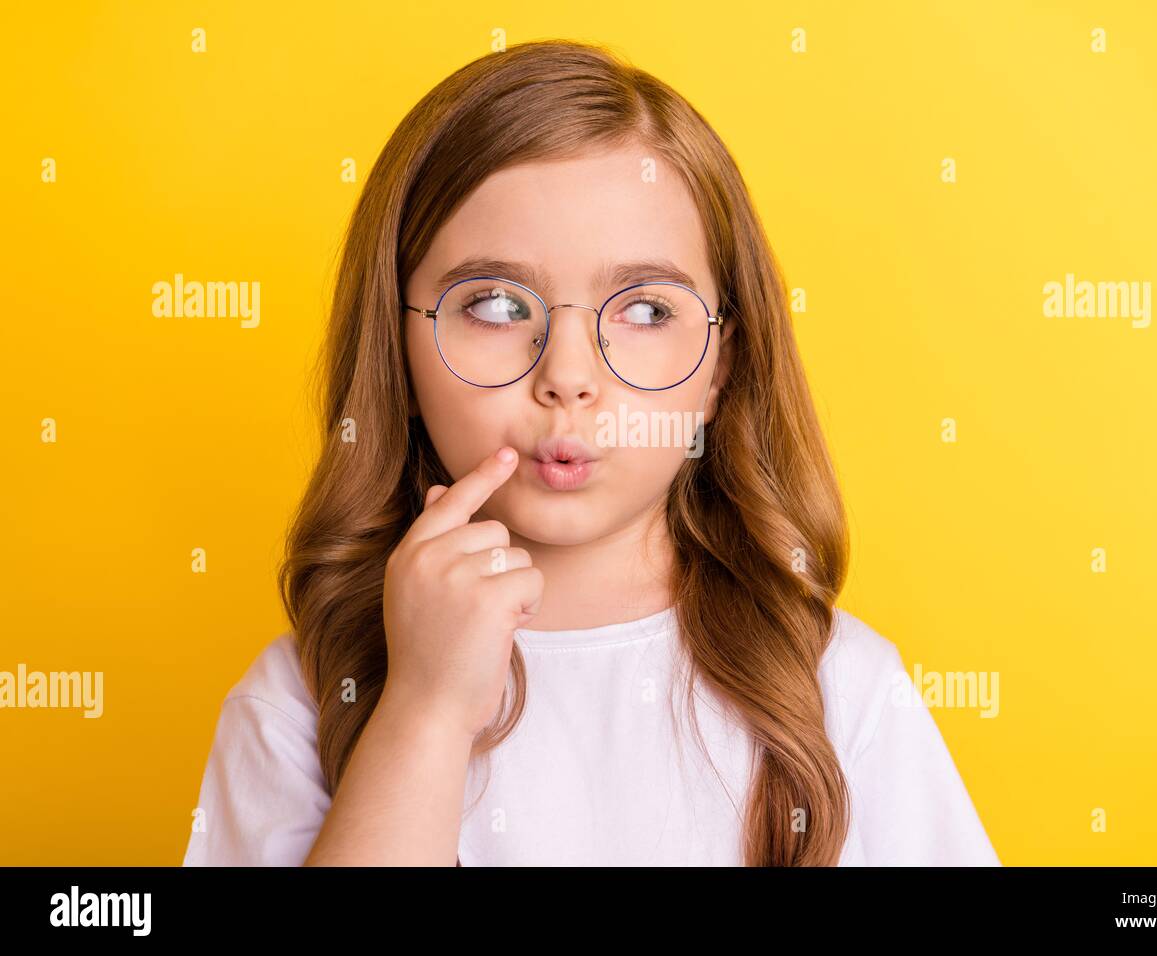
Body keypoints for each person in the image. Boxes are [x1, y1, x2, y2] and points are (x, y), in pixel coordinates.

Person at [182, 38, 999, 867]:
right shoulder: (298, 703)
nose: (568, 378)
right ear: (396, 346)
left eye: (645, 311)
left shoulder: (839, 693)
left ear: (722, 367)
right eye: (496, 305)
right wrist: (422, 714)